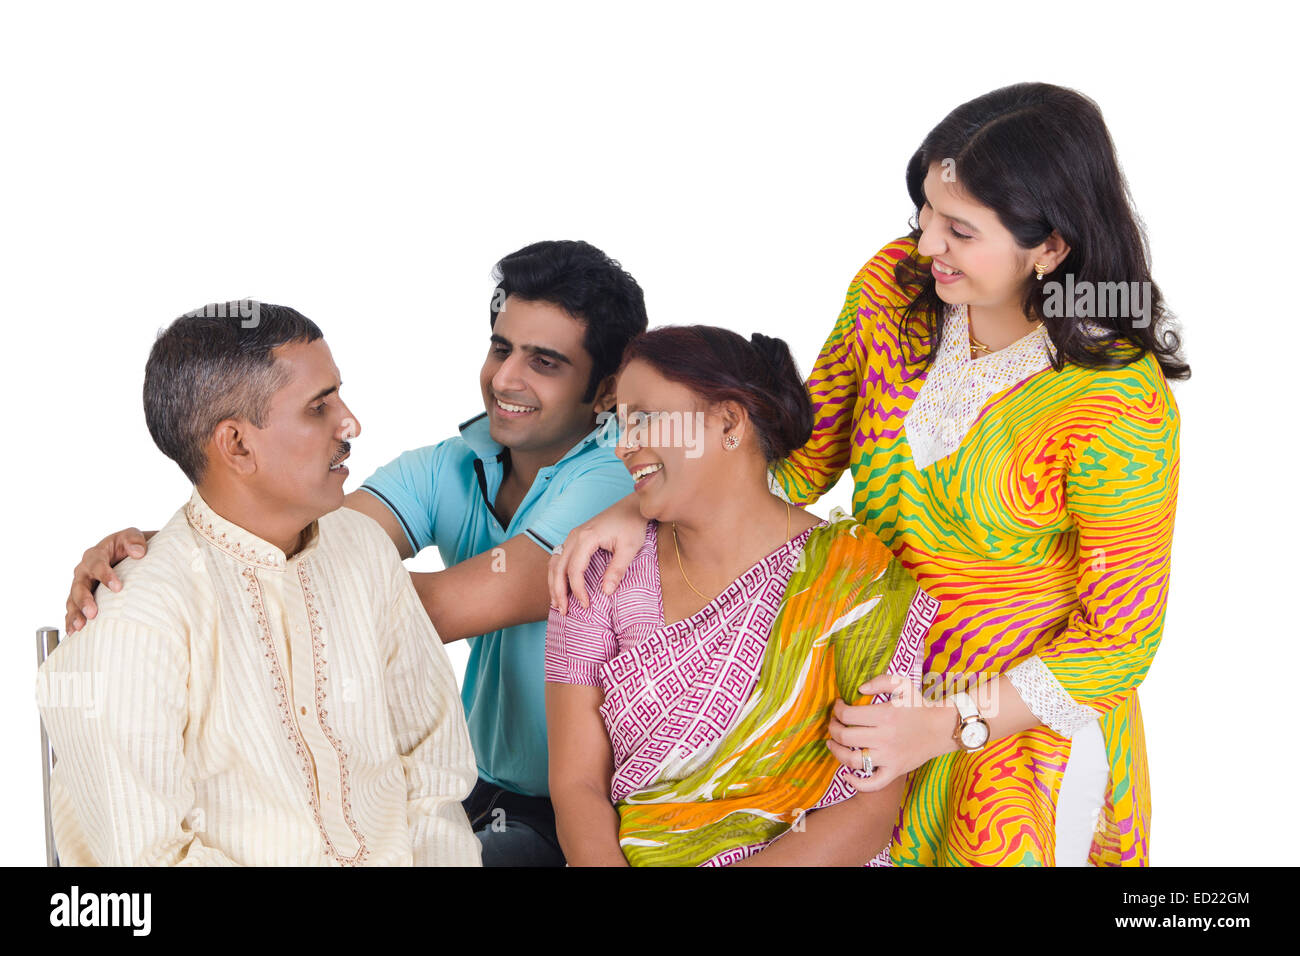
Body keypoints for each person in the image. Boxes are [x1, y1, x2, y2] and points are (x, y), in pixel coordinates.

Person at [548, 83, 1186, 866]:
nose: (926, 246)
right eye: (923, 214)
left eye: (959, 230)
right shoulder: (893, 292)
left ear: (1049, 247)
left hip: (1016, 745)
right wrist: (645, 508)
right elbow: (798, 459)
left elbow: (1119, 642)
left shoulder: (1117, 399)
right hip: (849, 700)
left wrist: (949, 723)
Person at [61, 241, 648, 866]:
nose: (506, 378)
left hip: (595, 805)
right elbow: (293, 539)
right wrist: (173, 553)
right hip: (482, 788)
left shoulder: (623, 478)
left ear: (606, 390)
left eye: (546, 362)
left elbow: (355, 587)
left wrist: (215, 574)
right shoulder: (451, 465)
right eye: (501, 348)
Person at [37, 303, 481, 866]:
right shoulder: (135, 620)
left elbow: (433, 767)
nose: (351, 424)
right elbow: (149, 858)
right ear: (237, 446)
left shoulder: (363, 550)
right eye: (319, 407)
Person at [545, 326, 935, 866]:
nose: (623, 444)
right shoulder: (600, 575)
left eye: (645, 418)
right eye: (620, 423)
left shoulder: (854, 578)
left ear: (729, 422)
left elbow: (869, 810)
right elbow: (577, 785)